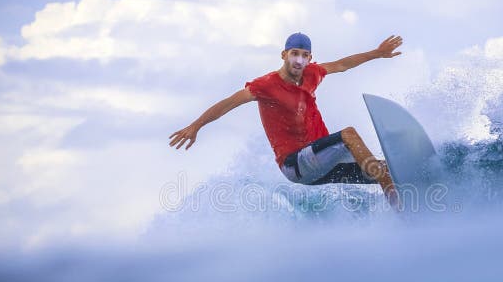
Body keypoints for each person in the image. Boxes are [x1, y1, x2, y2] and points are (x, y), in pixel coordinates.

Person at [169, 32, 404, 205]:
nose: (298, 61)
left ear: (310, 58)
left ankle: (410, 198)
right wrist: (195, 126)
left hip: (321, 164)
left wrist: (378, 53)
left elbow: (341, 65)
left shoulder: (313, 73)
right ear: (284, 55)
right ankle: (394, 199)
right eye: (294, 54)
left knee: (385, 169)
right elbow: (228, 104)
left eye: (304, 55)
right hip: (295, 164)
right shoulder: (266, 85)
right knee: (349, 135)